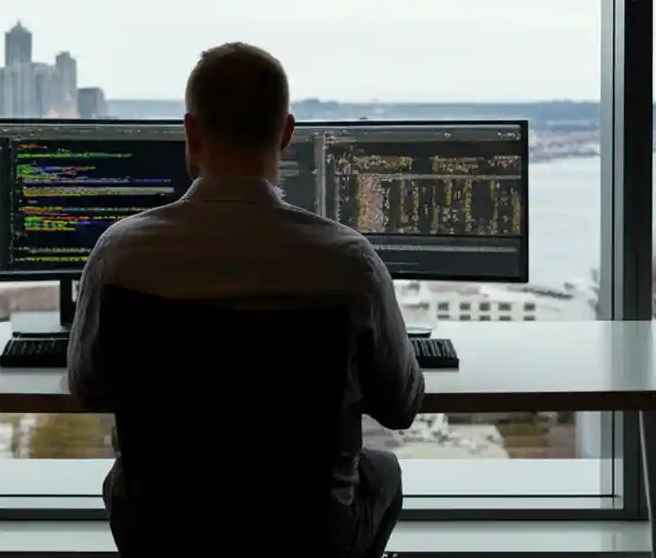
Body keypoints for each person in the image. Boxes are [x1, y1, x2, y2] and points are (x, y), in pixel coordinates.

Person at [68, 41, 424, 557]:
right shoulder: (350, 263)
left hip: (164, 535)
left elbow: (88, 388)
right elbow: (401, 405)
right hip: (308, 539)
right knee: (383, 469)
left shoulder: (119, 254)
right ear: (285, 134)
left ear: (190, 132)